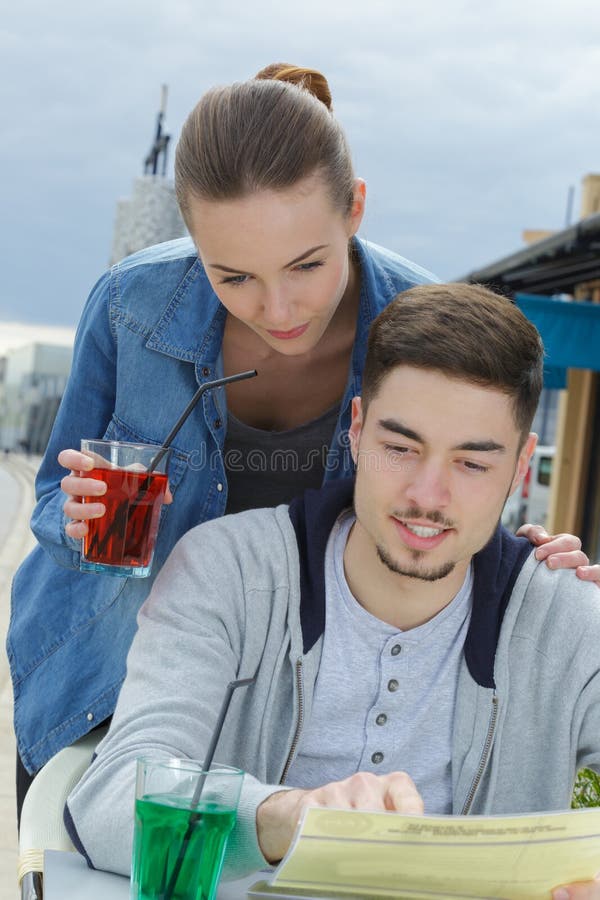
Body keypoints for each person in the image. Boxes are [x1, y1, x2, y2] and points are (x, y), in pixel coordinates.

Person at [8, 64, 596, 812]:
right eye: (234, 277)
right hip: (95, 678)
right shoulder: (132, 304)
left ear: (354, 208)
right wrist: (81, 516)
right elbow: (57, 493)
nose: (277, 309)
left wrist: (525, 556)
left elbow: (442, 488)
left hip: (264, 706)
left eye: (306, 265)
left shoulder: (408, 319)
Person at [66, 284, 600, 899]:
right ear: (356, 429)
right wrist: (286, 817)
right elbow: (108, 803)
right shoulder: (227, 572)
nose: (428, 495)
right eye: (400, 448)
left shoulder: (566, 616)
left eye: (473, 464)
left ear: (522, 466)